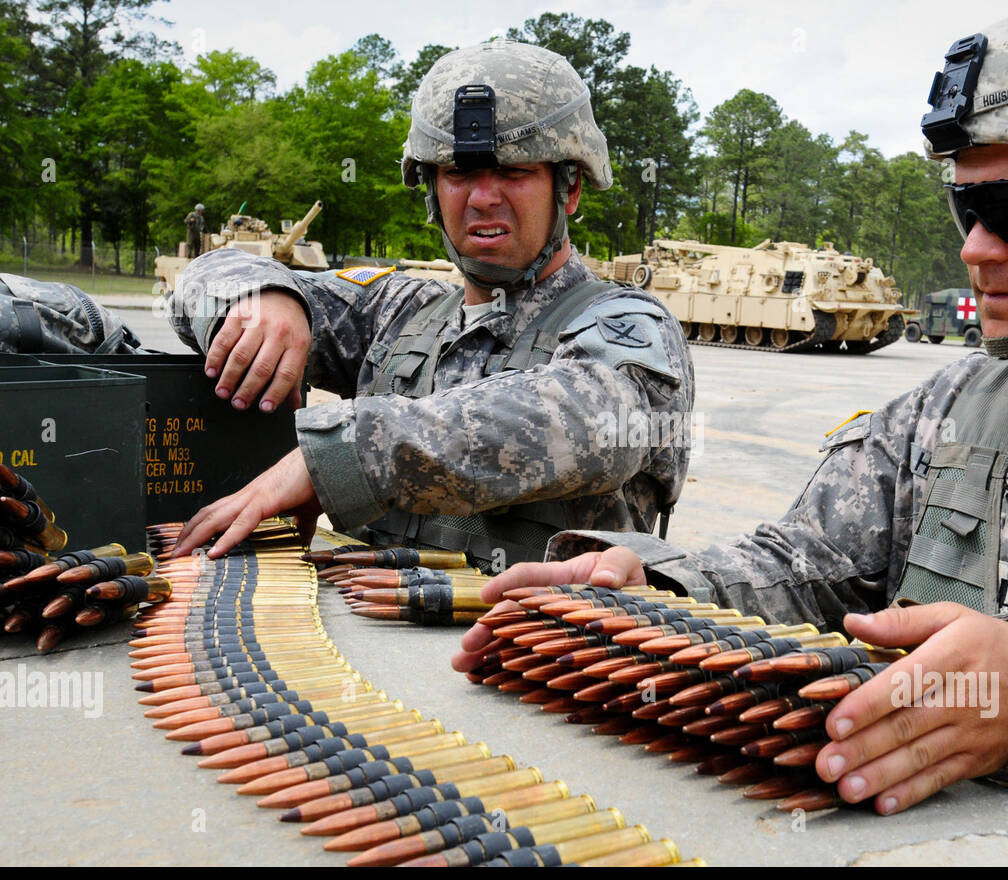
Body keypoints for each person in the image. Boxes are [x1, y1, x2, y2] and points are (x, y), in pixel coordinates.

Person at [457, 2, 1008, 866]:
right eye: (964, 205)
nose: (975, 248)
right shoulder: (940, 414)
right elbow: (802, 568)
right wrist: (651, 581)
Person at [166, 40, 693, 565]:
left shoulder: (628, 324)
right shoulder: (397, 311)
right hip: (364, 636)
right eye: (459, 174)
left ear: (569, 188)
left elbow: (592, 421)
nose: (483, 197)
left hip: (536, 644)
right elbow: (201, 278)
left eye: (514, 172)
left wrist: (344, 455)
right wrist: (268, 299)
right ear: (432, 191)